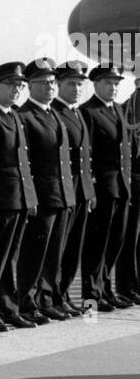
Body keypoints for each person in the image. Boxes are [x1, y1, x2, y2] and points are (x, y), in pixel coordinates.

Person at [16, 58, 75, 322]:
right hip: (41, 196)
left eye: (52, 82)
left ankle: (48, 299)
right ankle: (26, 303)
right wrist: (31, 196)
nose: (49, 87)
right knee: (34, 254)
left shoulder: (54, 115)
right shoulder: (25, 117)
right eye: (42, 83)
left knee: (54, 254)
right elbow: (23, 162)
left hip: (61, 194)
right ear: (29, 86)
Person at [0, 63, 38, 329]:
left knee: (8, 257)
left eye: (20, 85)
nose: (17, 90)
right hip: (1, 200)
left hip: (18, 198)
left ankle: (8, 308)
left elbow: (24, 161)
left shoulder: (14, 116)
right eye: (11, 85)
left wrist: (30, 197)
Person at [80, 64, 133, 310]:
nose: (113, 88)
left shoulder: (117, 110)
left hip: (120, 187)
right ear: (96, 84)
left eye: (116, 84)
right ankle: (91, 298)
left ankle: (105, 290)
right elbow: (85, 155)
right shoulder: (88, 111)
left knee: (115, 241)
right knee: (96, 245)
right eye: (108, 83)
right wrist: (90, 190)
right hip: (101, 188)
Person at [52, 61, 95, 315]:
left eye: (80, 84)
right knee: (59, 248)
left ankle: (64, 294)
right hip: (63, 190)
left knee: (73, 249)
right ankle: (55, 297)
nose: (77, 88)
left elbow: (85, 158)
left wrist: (88, 192)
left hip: (80, 191)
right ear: (58, 85)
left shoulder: (77, 112)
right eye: (71, 84)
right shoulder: (56, 111)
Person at [114, 77, 140, 303]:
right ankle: (127, 286)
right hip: (132, 178)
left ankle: (132, 286)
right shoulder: (125, 109)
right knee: (130, 235)